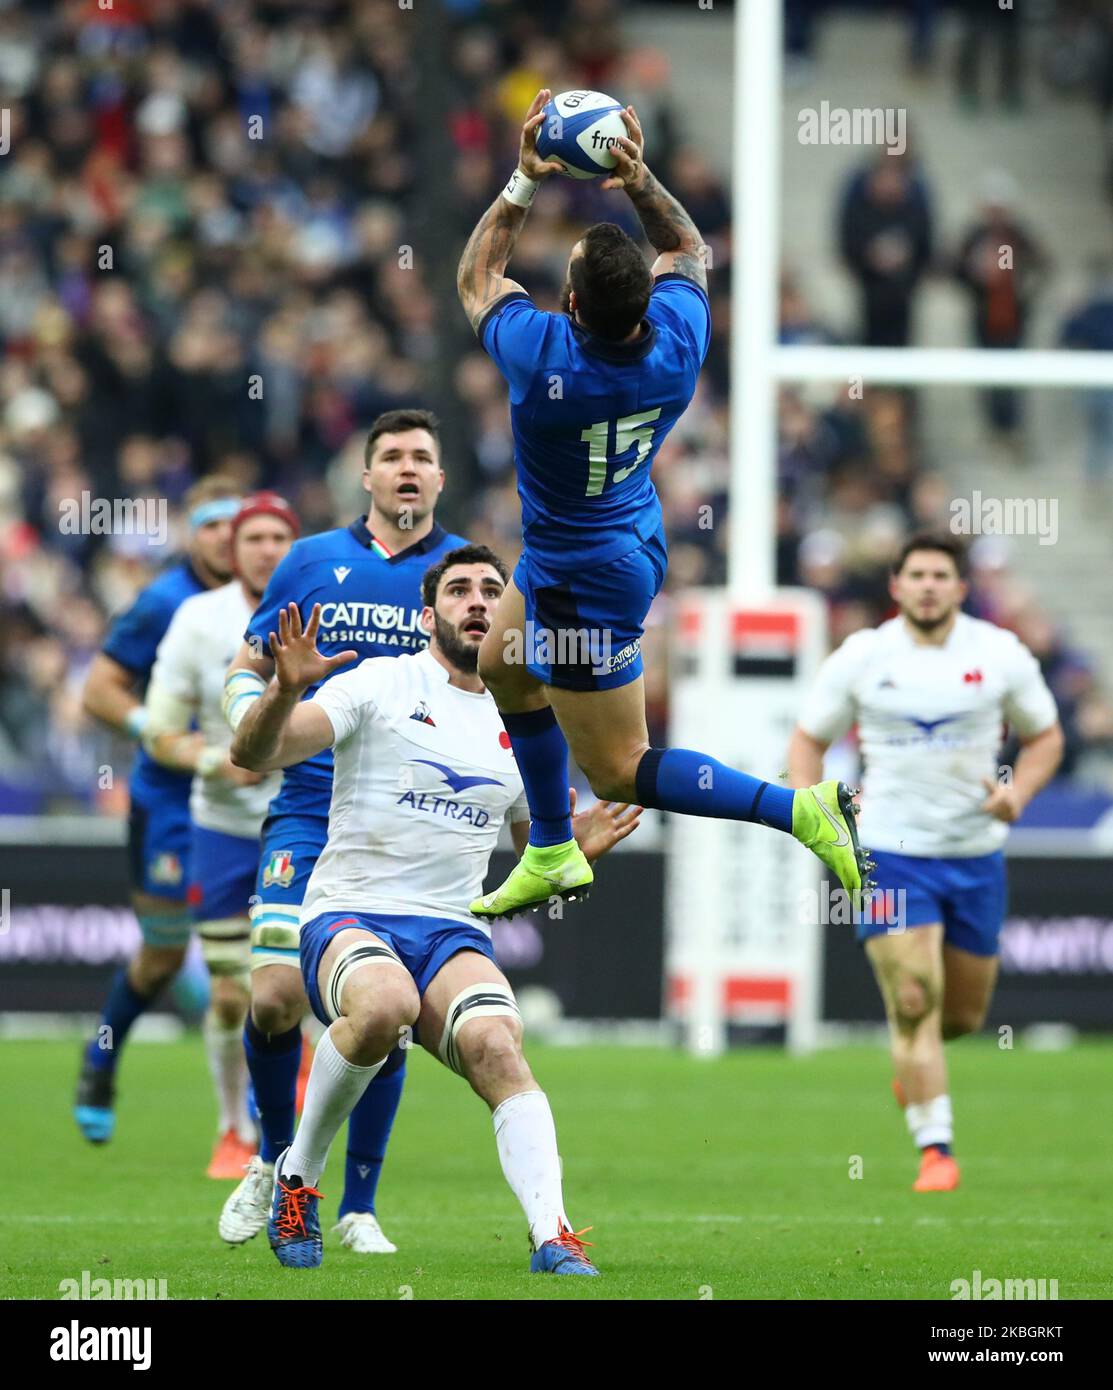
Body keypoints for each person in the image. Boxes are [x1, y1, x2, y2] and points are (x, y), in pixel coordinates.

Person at [455, 90, 871, 924]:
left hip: (582, 574)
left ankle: (799, 809)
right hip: (620, 532)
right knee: (499, 664)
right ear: (643, 299)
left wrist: (524, 178)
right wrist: (640, 177)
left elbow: (476, 275)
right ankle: (547, 847)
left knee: (617, 767)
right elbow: (685, 243)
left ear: (568, 306)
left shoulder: (539, 360)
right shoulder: (678, 344)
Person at [231, 545, 640, 1273]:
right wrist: (282, 692)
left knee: (497, 1045)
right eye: (459, 590)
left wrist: (579, 848)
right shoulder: (380, 682)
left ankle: (552, 1234)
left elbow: (536, 858)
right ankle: (298, 1182)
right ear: (428, 616)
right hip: (350, 910)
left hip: (450, 929)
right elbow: (257, 752)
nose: (478, 600)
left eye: (492, 589)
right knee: (382, 1004)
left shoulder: (527, 722)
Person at [217, 409, 469, 1255]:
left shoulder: (465, 576)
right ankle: (270, 1153)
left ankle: (357, 1204)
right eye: (391, 457)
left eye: (422, 459)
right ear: (365, 477)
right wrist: (251, 717)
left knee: (380, 1014)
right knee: (275, 995)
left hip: (405, 826)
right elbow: (249, 667)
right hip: (308, 804)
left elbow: (501, 692)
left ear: (440, 480)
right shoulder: (312, 561)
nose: (407, 469)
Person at [787, 535, 1063, 1192]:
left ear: (961, 588)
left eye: (941, 575)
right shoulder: (863, 656)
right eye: (916, 575)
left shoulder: (997, 655)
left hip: (973, 855)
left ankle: (912, 1069)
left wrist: (1016, 794)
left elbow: (1044, 735)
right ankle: (935, 1149)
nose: (928, 586)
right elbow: (807, 739)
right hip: (889, 853)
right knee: (912, 997)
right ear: (895, 585)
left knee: (960, 1017)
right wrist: (813, 814)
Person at [74, 477, 241, 1144]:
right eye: (211, 527)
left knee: (270, 961)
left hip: (251, 798)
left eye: (239, 527)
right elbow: (98, 689)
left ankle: (258, 1122)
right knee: (164, 957)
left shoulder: (273, 594)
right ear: (190, 534)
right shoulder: (166, 600)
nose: (226, 540)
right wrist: (158, 730)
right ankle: (100, 1061)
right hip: (172, 800)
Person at [142, 493, 299, 1177]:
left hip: (305, 821)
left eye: (279, 537)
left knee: (301, 987)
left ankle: (297, 1131)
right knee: (233, 992)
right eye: (254, 537)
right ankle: (233, 1128)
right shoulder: (197, 620)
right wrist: (215, 759)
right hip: (222, 826)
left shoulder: (320, 608)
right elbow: (158, 728)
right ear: (230, 550)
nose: (267, 549)